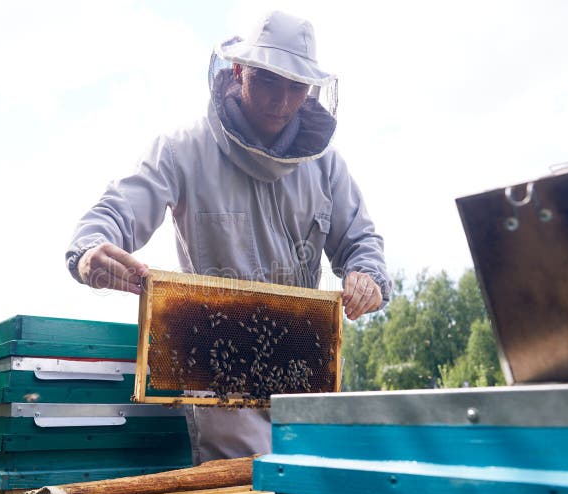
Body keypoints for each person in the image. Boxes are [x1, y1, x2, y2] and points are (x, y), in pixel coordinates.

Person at [65, 11, 392, 464]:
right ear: (238, 71)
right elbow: (116, 210)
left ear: (312, 90)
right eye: (267, 82)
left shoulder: (327, 166)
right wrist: (88, 252)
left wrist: (367, 275)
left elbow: (361, 241)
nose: (281, 101)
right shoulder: (182, 149)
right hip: (221, 383)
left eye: (295, 87)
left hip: (307, 380)